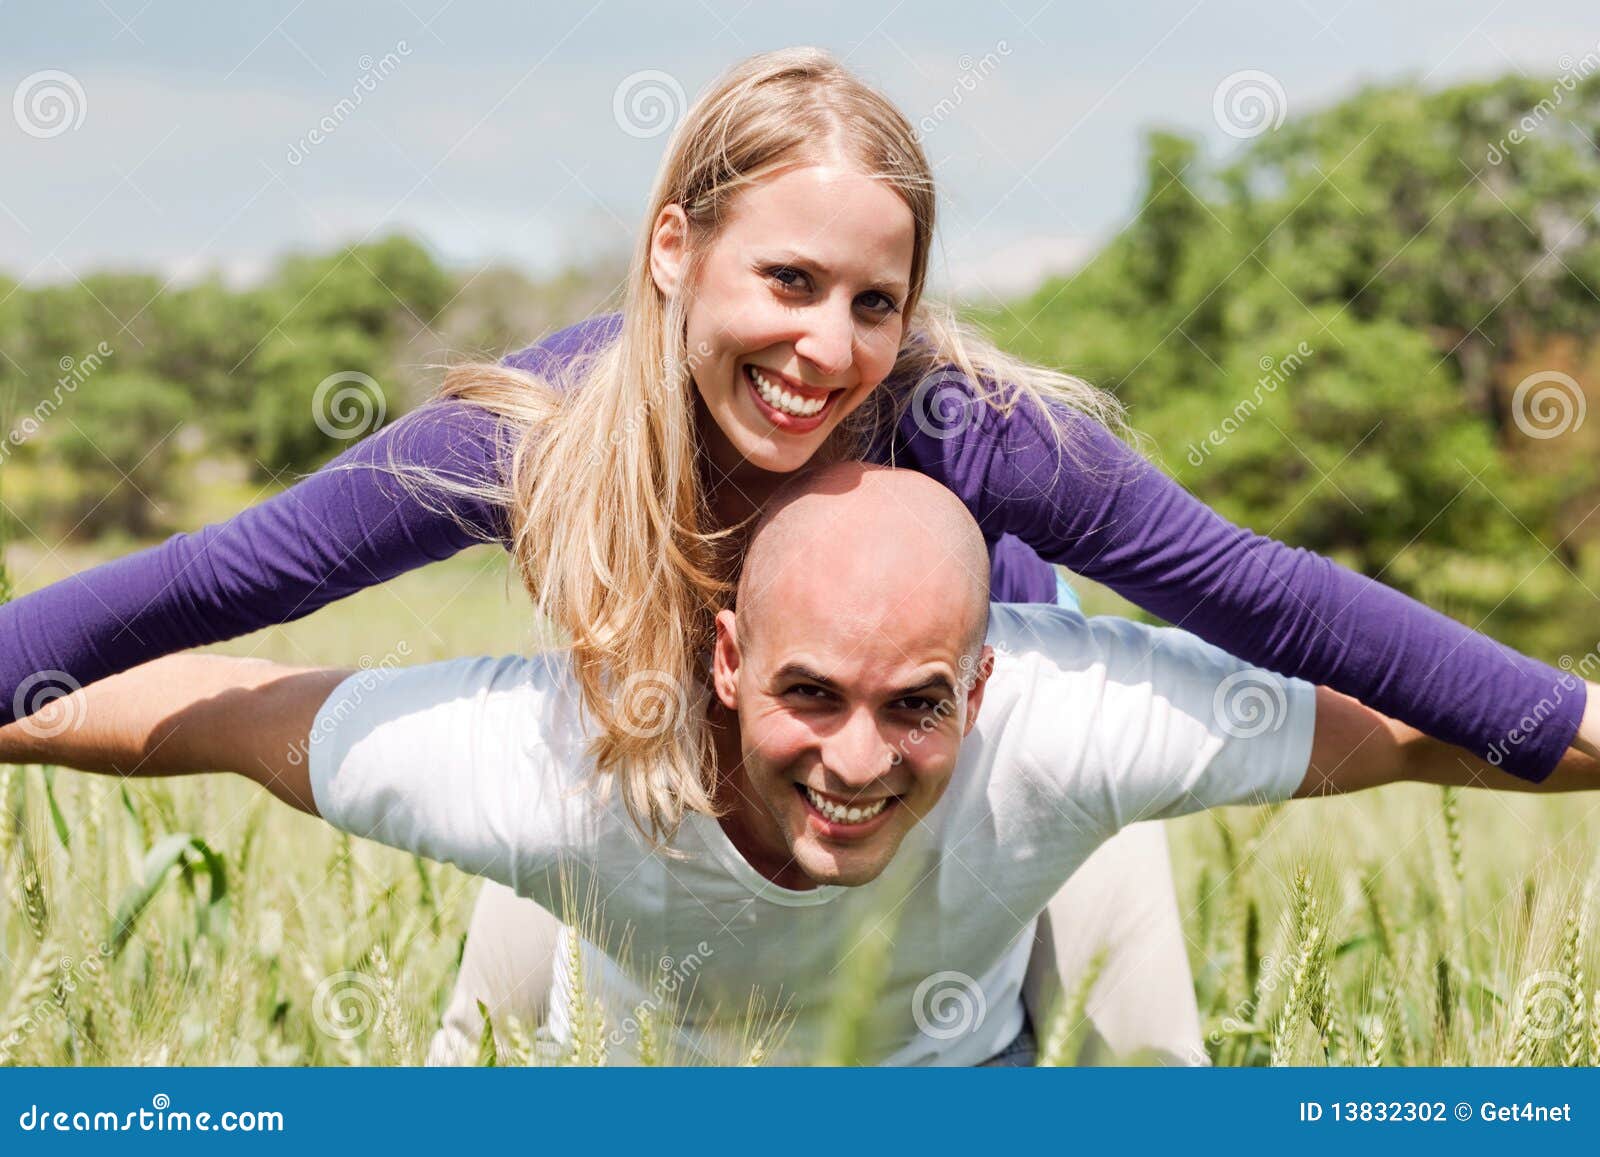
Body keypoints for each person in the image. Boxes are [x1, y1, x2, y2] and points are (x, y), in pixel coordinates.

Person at [2, 45, 1592, 1056]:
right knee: (495, 1054)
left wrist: (1558, 721)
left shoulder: (973, 428)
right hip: (657, 805)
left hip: (995, 818)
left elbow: (1258, 588)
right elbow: (223, 584)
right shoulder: (541, 432)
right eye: (787, 281)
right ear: (673, 251)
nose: (829, 349)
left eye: (874, 302)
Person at [7, 465, 1597, 1066]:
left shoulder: (1075, 717)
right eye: (809, 694)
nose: (855, 758)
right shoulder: (532, 758)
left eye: (914, 703)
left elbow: (1417, 724)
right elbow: (206, 698)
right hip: (615, 1017)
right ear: (713, 662)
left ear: (982, 680)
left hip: (975, 1031)